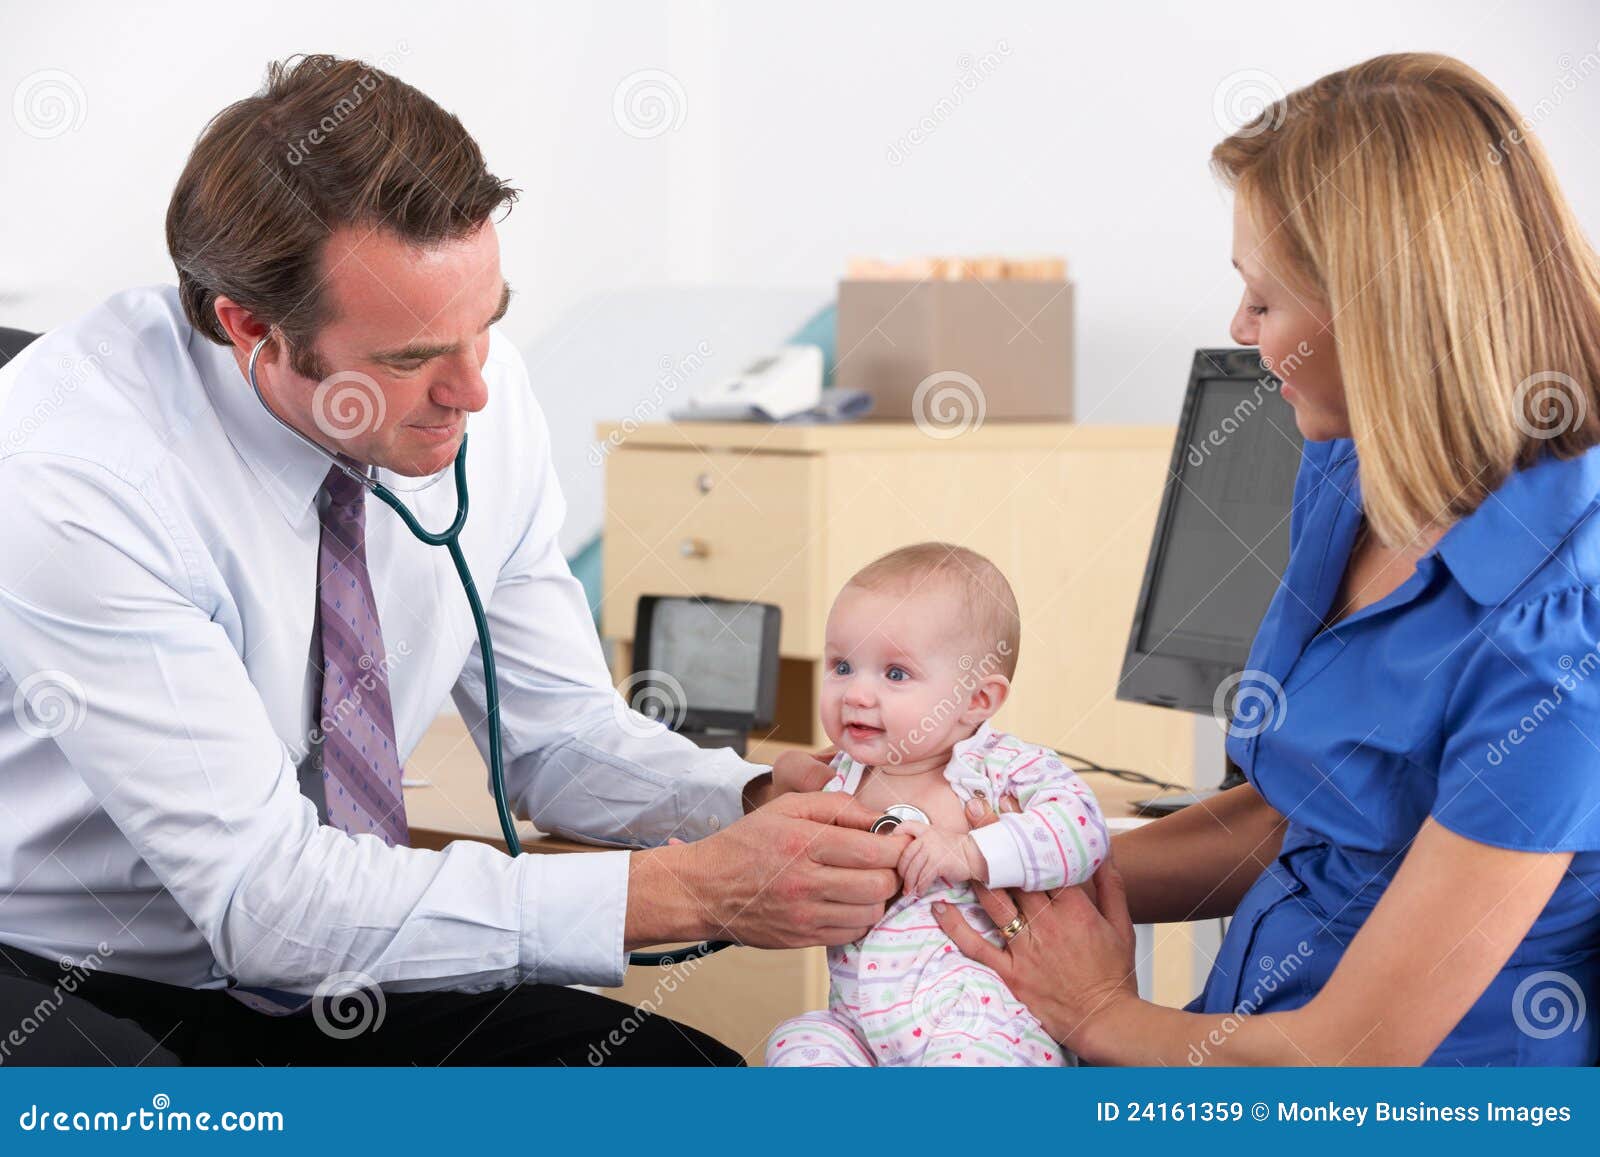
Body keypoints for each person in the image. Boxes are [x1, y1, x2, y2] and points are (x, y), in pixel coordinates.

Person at [0, 54, 901, 1066]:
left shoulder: (474, 385)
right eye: (407, 358)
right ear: (249, 325)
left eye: (489, 324)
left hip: (347, 971)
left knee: (681, 1082)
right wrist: (689, 888)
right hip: (76, 972)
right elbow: (266, 901)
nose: (471, 391)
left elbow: (554, 738)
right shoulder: (74, 469)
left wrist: (745, 799)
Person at [934, 52, 1600, 1066]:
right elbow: (1293, 819)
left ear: (1386, 322)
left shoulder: (1560, 635)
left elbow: (1351, 1059)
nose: (1238, 330)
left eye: (1265, 300)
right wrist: (976, 856)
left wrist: (1096, 1009)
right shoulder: (1347, 474)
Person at [764, 544, 1108, 1066]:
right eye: (841, 665)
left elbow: (1083, 831)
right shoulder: (838, 778)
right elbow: (785, 863)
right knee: (800, 1040)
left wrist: (971, 852)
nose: (855, 693)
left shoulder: (1000, 767)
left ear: (977, 701)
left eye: (895, 674)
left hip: (981, 1022)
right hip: (859, 1024)